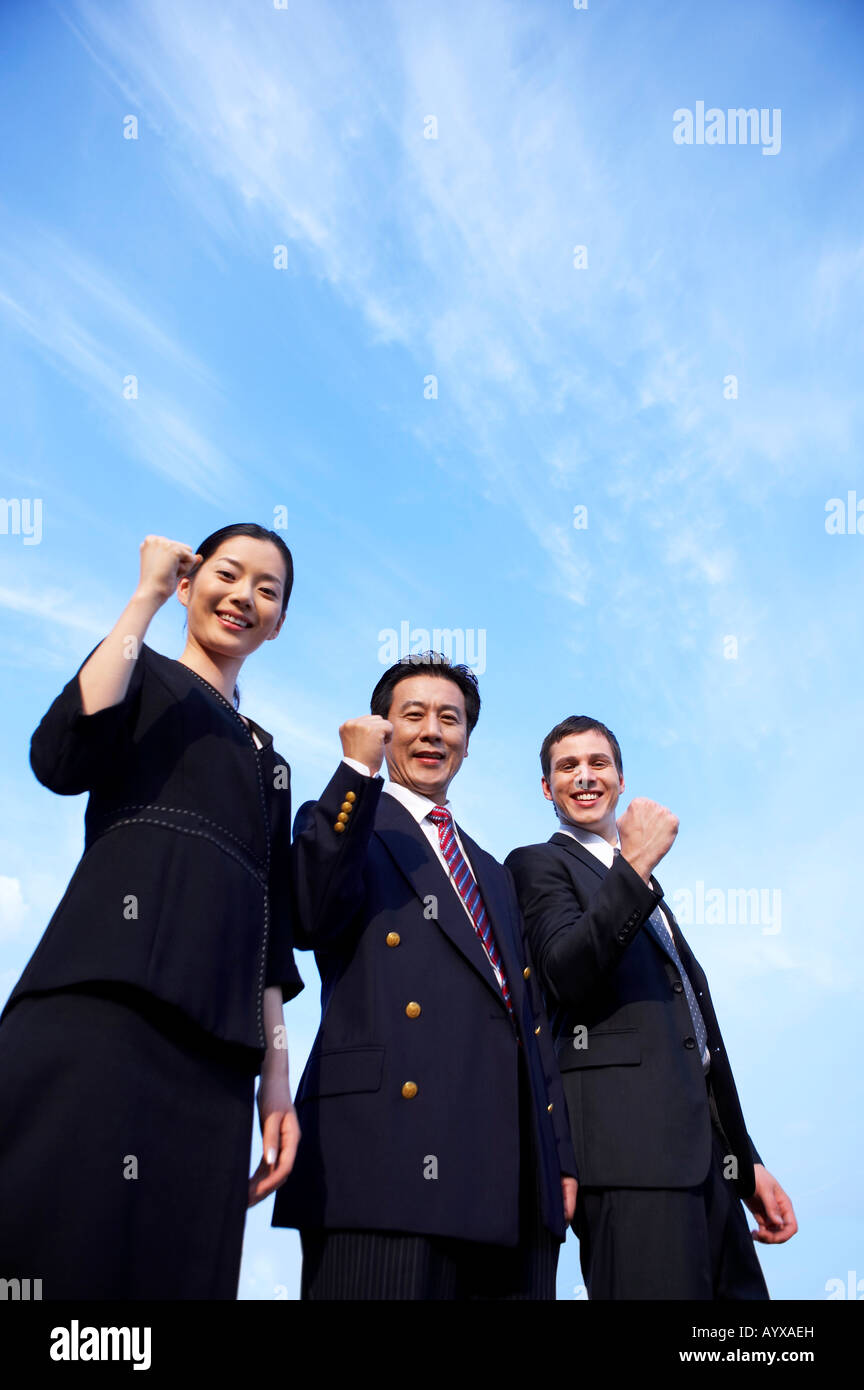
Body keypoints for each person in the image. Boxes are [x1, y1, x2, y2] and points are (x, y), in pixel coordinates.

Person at [0, 525, 304, 1300]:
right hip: (103, 1005)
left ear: (279, 621)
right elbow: (61, 757)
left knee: (177, 1267)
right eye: (228, 575)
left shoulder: (273, 765)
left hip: (218, 1057)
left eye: (266, 590)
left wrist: (276, 1089)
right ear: (192, 583)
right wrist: (144, 597)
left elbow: (271, 941)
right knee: (52, 1235)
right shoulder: (141, 676)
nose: (243, 597)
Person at [272, 652, 578, 1300]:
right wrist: (357, 772)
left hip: (507, 1176)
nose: (433, 731)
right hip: (383, 1155)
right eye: (413, 715)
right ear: (383, 727)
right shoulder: (345, 819)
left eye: (451, 718)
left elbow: (529, 1017)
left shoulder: (492, 869)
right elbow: (311, 914)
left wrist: (558, 1158)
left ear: (468, 741)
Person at [505, 715, 797, 1301]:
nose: (584, 777)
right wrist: (635, 863)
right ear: (546, 788)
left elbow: (696, 1040)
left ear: (619, 778)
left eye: (598, 764)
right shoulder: (537, 864)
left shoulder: (640, 888)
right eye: (567, 767)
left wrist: (746, 1163)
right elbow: (567, 974)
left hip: (708, 1165)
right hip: (627, 1159)